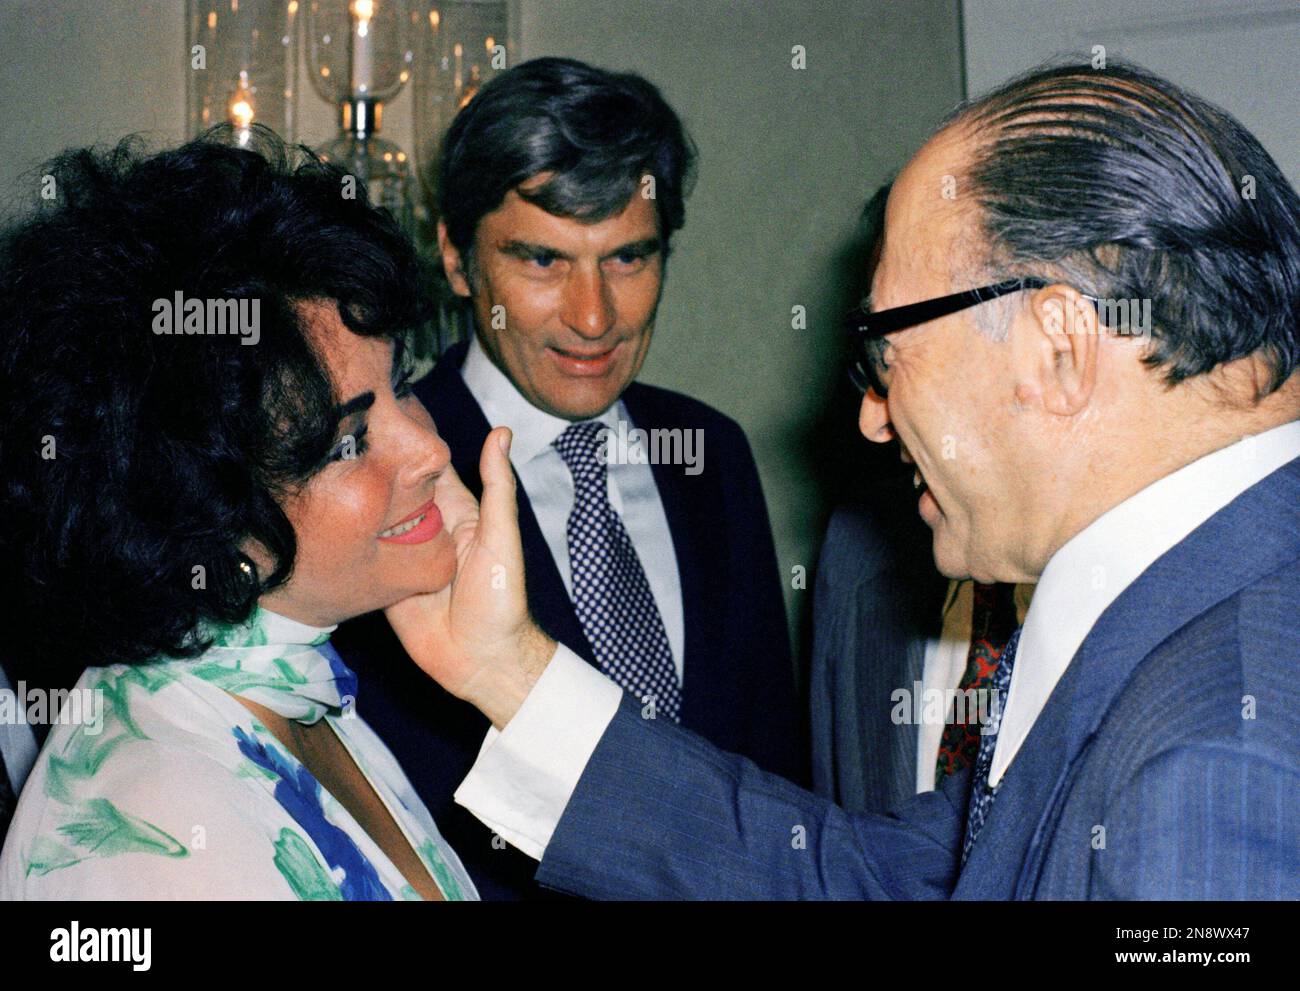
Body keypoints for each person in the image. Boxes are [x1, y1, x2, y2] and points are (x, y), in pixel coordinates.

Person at [382, 60, 1300, 899]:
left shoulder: (1216, 763)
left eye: (888, 350)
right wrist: (508, 671)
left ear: (1057, 349)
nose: (868, 414)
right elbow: (865, 876)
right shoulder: (1197, 631)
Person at [332, 56, 804, 899]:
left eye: (628, 259)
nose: (594, 318)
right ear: (454, 255)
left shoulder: (712, 451)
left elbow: (778, 775)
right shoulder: (385, 472)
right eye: (543, 262)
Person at [0, 128, 485, 900]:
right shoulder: (155, 829)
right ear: (202, 509)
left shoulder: (296, 692)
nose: (427, 448)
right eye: (348, 442)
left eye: (407, 381)